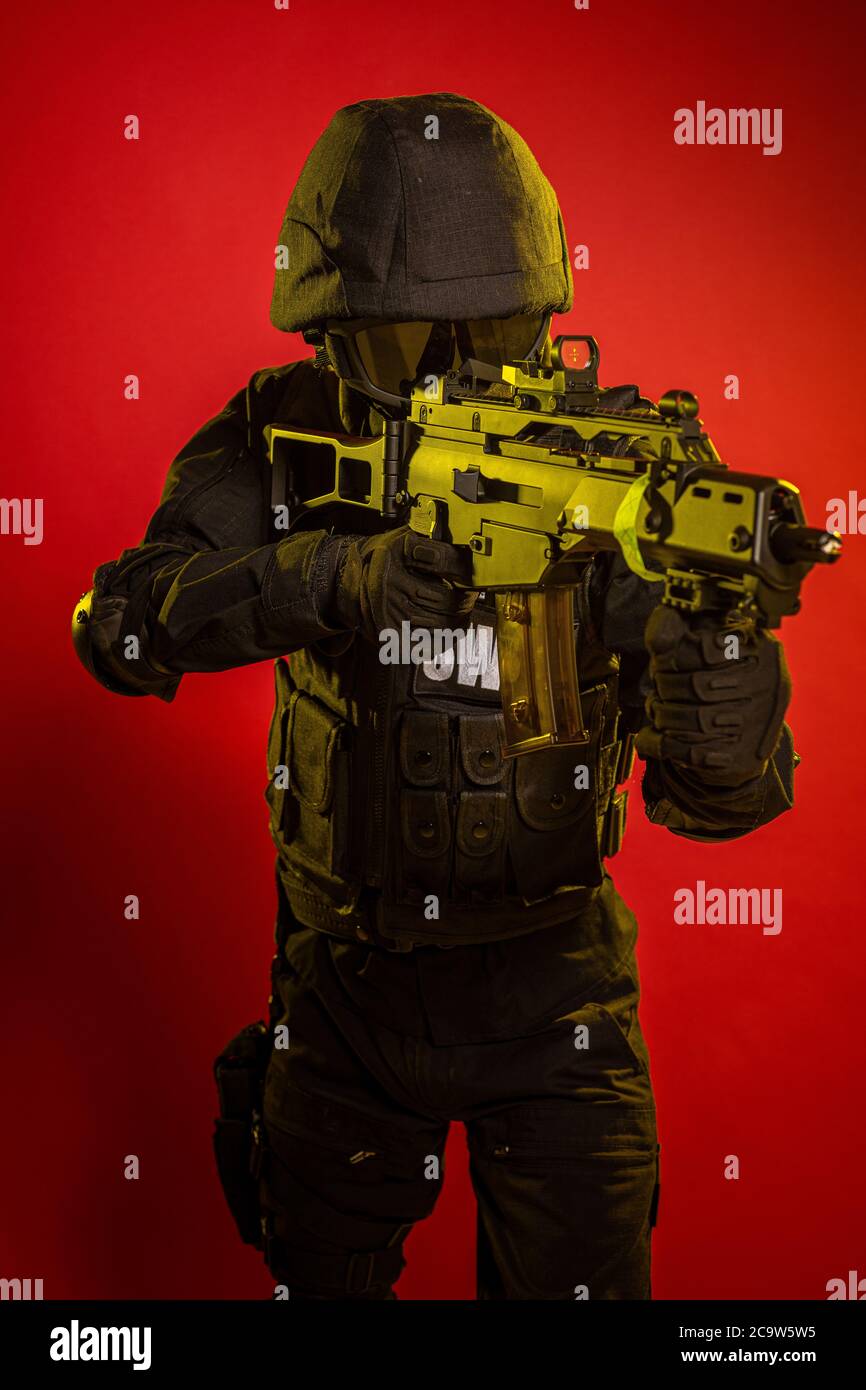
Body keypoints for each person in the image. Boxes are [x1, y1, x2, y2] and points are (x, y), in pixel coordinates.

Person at [71, 93, 795, 1300]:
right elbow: (123, 626)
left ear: (547, 318)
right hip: (342, 988)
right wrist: (334, 574)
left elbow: (719, 806)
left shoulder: (620, 472)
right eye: (404, 345)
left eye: (496, 333)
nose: (456, 381)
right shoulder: (286, 433)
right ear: (328, 325)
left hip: (555, 992)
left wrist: (713, 634)